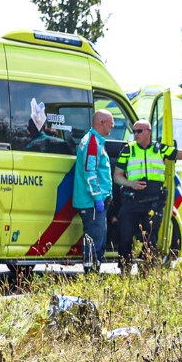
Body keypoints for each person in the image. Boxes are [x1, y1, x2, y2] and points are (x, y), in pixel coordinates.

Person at [113, 119, 182, 267]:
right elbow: (117, 176)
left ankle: (147, 271)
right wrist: (131, 184)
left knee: (150, 239)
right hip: (131, 200)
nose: (136, 134)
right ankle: (124, 271)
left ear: (149, 132)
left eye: (139, 131)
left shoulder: (161, 149)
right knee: (125, 236)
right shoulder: (128, 150)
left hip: (153, 201)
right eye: (134, 131)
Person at [73, 110, 116, 273]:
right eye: (111, 122)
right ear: (102, 122)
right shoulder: (92, 142)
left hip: (94, 201)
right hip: (91, 202)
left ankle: (94, 269)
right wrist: (98, 198)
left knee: (98, 238)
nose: (112, 125)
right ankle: (91, 273)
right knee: (94, 239)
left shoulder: (95, 141)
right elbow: (89, 172)